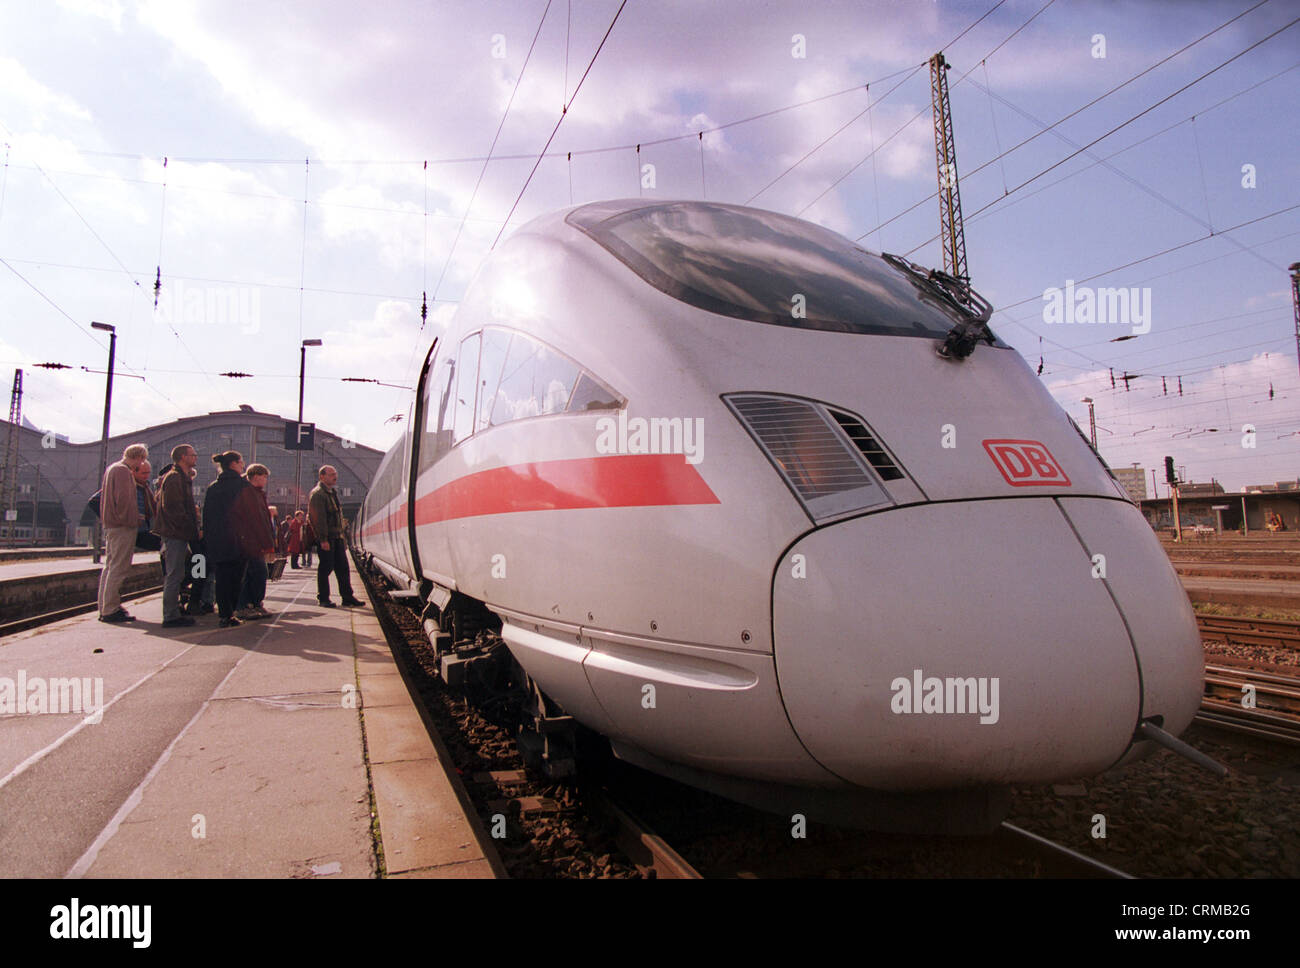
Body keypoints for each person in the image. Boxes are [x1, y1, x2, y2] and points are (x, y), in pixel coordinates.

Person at [202, 451, 258, 628]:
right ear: (234, 464)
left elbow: (207, 517)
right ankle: (230, 612)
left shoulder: (213, 488)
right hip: (239, 541)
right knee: (237, 578)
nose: (243, 465)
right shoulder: (244, 486)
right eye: (241, 462)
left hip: (219, 541)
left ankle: (224, 614)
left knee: (222, 578)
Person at [98, 443, 150, 623]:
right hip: (123, 526)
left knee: (110, 566)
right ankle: (110, 609)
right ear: (140, 457)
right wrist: (135, 518)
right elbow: (123, 499)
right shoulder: (123, 471)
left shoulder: (112, 468)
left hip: (113, 525)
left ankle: (104, 607)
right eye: (143, 461)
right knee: (119, 567)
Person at [154, 444, 200, 628]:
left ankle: (174, 611)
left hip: (179, 532)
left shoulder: (181, 477)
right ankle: (170, 615)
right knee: (174, 574)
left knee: (178, 573)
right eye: (192, 454)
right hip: (175, 533)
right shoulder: (174, 478)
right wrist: (189, 527)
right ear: (182, 457)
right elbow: (174, 508)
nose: (196, 457)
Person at [308, 465, 363, 608]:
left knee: (343, 568)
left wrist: (342, 536)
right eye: (331, 474)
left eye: (335, 473)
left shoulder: (331, 492)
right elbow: (318, 519)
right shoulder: (318, 494)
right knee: (326, 568)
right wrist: (323, 539)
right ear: (322, 476)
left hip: (337, 537)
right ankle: (323, 598)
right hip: (328, 538)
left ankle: (347, 597)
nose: (335, 476)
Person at [236, 464, 276, 620]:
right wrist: (267, 544)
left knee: (257, 573)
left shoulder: (257, 494)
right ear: (256, 476)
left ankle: (255, 604)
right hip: (250, 542)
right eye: (265, 477)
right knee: (254, 573)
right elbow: (256, 520)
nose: (266, 480)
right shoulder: (249, 493)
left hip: (255, 542)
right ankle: (245, 606)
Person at [131, 459, 161, 553]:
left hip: (143, 529)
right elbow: (95, 501)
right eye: (143, 473)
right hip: (130, 529)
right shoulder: (127, 486)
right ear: (133, 472)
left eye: (148, 473)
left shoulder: (144, 488)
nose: (146, 476)